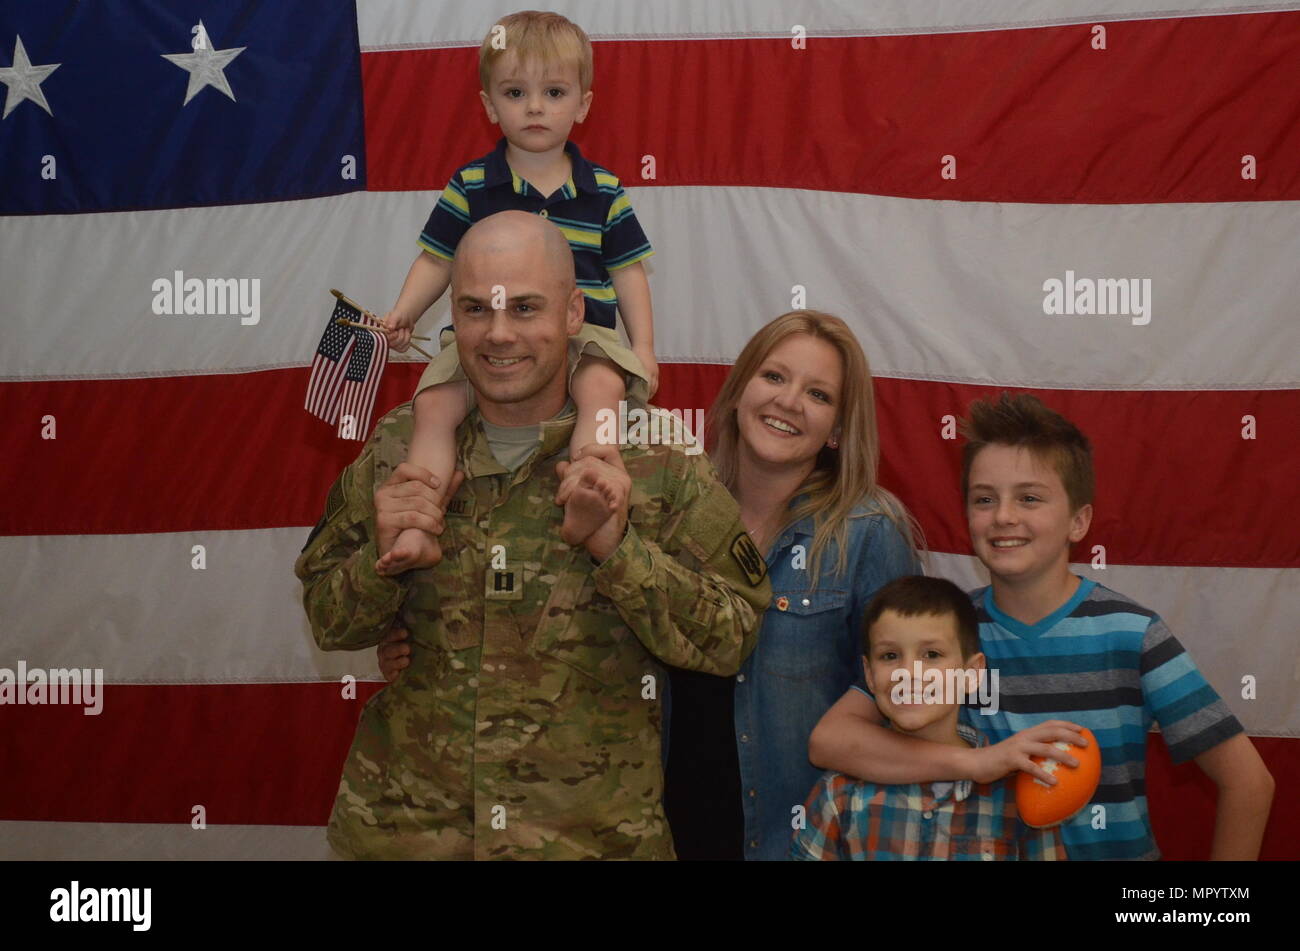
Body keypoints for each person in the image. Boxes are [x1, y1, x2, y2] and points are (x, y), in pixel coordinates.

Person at [295, 210, 770, 860]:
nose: (497, 335)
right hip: (406, 833)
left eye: (524, 308)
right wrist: (381, 562)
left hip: (587, 840)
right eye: (473, 310)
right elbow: (328, 619)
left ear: (574, 312)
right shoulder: (399, 448)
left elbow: (736, 636)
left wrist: (618, 551)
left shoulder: (653, 455)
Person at [379, 311, 922, 861]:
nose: (788, 402)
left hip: (805, 840)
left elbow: (912, 707)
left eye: (819, 394)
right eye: (774, 377)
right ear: (738, 392)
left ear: (837, 430)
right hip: (660, 827)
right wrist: (427, 643)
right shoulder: (664, 492)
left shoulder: (868, 534)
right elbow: (574, 625)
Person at [809, 392, 1276, 859]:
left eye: (1029, 498)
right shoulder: (941, 633)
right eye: (984, 499)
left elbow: (1249, 782)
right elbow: (830, 742)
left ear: (1079, 521)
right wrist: (976, 763)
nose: (1004, 516)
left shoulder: (1131, 633)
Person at [377, 10, 657, 574]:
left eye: (553, 92)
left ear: (582, 104)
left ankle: (589, 493)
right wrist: (404, 311)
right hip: (484, 341)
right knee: (433, 407)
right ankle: (415, 525)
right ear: (488, 105)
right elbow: (436, 258)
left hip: (593, 336)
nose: (535, 107)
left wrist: (644, 346)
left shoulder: (603, 191)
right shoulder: (472, 185)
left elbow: (629, 273)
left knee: (601, 391)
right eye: (516, 92)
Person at [792, 575, 1066, 860]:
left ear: (972, 674)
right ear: (869, 676)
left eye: (932, 654)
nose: (909, 673)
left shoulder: (1019, 795)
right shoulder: (839, 794)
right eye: (889, 656)